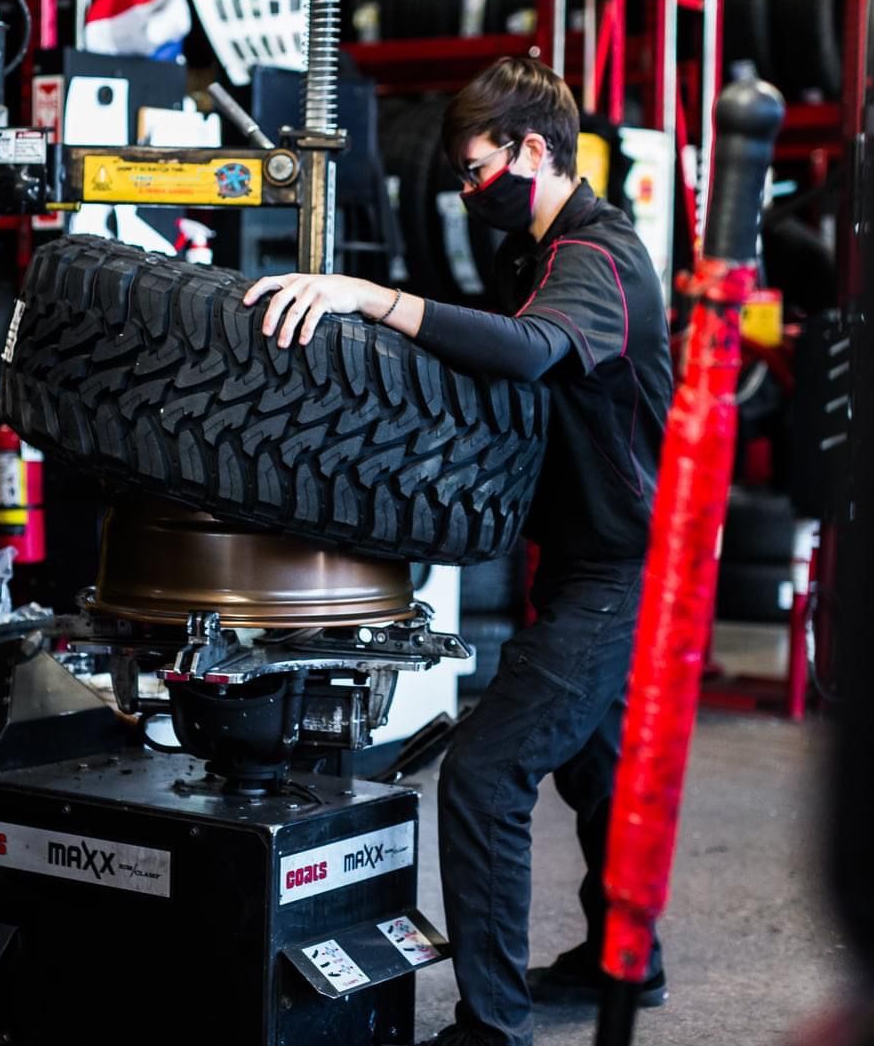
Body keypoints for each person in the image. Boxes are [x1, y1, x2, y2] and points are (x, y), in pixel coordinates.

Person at [243, 56, 674, 1046]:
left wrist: (368, 296)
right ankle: (627, 963)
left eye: (477, 171)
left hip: (620, 571)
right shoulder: (536, 251)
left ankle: (492, 1025)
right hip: (587, 555)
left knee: (483, 773)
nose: (470, 192)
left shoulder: (596, 258)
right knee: (597, 771)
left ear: (534, 150)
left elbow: (527, 351)